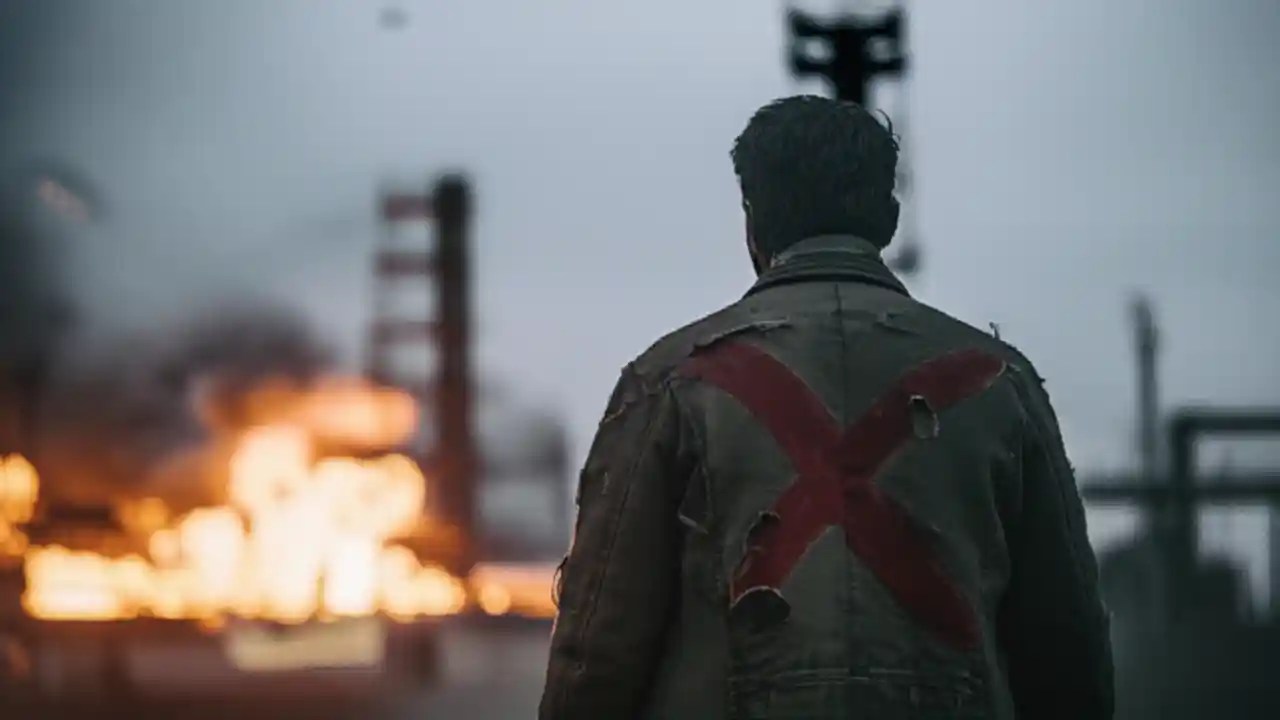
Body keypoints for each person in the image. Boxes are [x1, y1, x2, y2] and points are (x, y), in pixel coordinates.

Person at [539, 95, 1114, 719]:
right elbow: (1070, 658)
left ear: (752, 221)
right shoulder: (1002, 384)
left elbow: (598, 651)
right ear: (889, 219)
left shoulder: (668, 382)